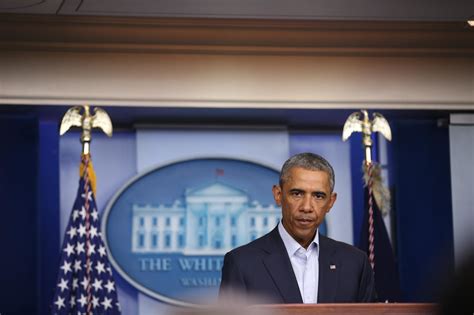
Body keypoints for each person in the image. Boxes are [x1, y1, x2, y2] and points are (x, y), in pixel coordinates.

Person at [219, 152, 376, 303]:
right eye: (297, 194)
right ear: (278, 195)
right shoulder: (242, 263)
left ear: (331, 202)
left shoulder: (355, 263)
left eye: (318, 196)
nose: (307, 207)